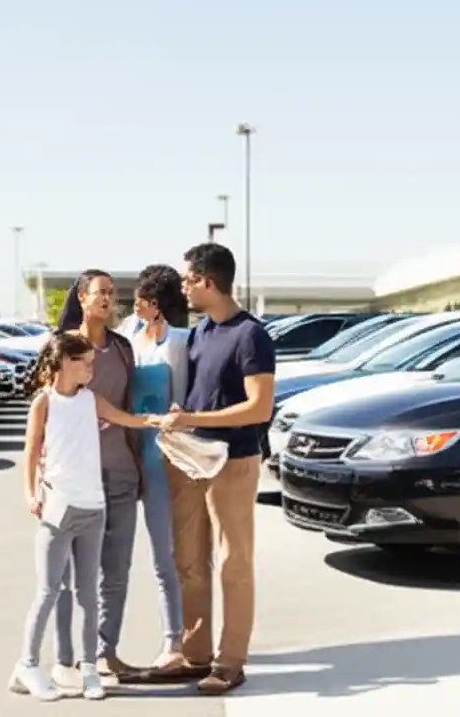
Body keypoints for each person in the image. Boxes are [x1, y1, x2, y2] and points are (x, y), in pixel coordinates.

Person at [10, 330, 157, 702]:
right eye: (85, 363)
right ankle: (28, 665)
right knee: (49, 590)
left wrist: (161, 420)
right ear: (64, 362)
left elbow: (129, 419)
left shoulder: (92, 400)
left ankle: (88, 667)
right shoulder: (43, 403)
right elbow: (30, 453)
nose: (91, 370)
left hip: (94, 507)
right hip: (57, 508)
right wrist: (31, 493)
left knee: (87, 594)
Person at [155, 242, 276, 695]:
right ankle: (195, 654)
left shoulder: (251, 335)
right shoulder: (202, 331)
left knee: (233, 564)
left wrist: (192, 418)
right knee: (189, 561)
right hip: (191, 459)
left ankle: (231, 662)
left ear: (208, 281)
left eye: (187, 280)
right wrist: (180, 418)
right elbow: (202, 395)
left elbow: (258, 408)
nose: (182, 288)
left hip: (234, 462)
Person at [50, 269, 146, 684]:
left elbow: (125, 405)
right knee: (68, 577)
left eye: (112, 293)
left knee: (117, 571)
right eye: (99, 292)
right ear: (82, 298)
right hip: (74, 482)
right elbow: (44, 411)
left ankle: (106, 652)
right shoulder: (62, 347)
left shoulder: (123, 348)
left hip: (121, 472)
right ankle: (67, 659)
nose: (107, 299)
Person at [119, 265, 193, 677]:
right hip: (129, 455)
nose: (134, 305)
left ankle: (174, 642)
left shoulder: (179, 343)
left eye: (141, 299)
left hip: (165, 457)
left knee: (166, 556)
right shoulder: (130, 338)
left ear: (157, 304)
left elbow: (183, 401)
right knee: (123, 557)